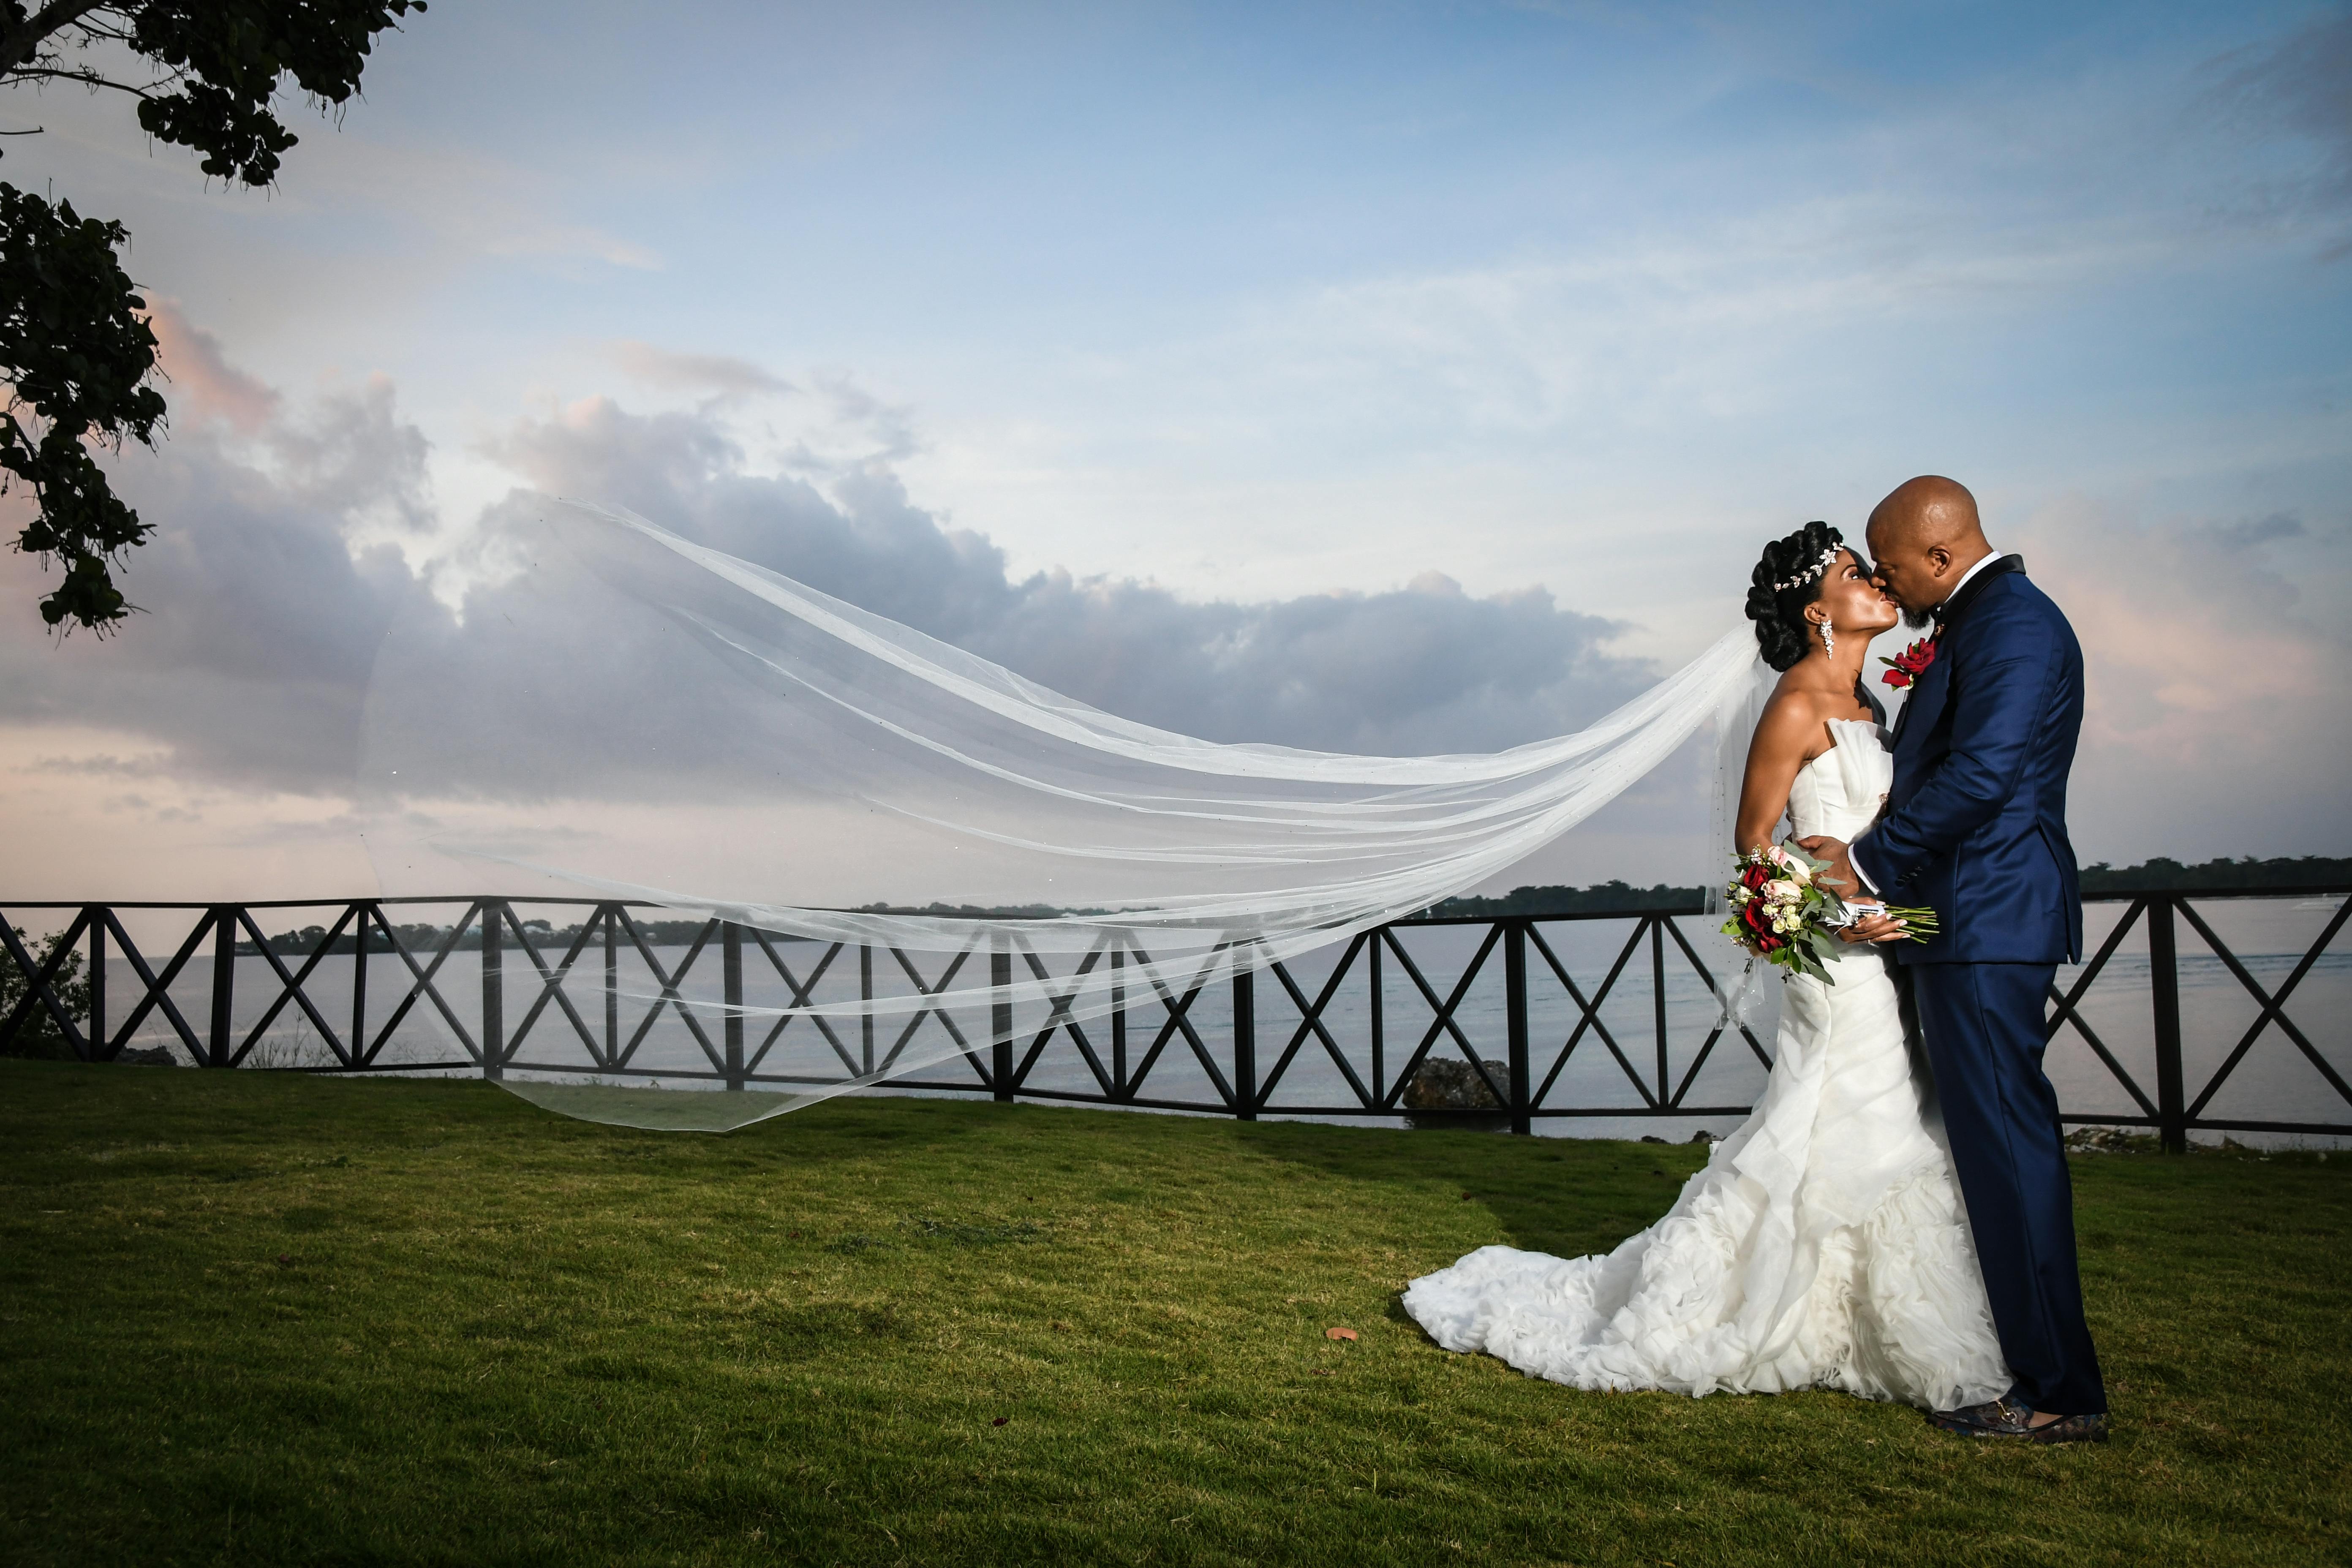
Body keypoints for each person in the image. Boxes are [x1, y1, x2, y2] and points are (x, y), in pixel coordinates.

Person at [1402, 518, 2019, 1421]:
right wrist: (1845, 914)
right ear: (1819, 610)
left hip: (1881, 954)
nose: (1879, 583)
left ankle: (1851, 1312)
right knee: (1849, 1118)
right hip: (1833, 960)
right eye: (1857, 573)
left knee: (1882, 1118)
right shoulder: (1798, 703)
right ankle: (1780, 1307)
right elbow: (1753, 851)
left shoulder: (1874, 710)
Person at [1800, 476, 2107, 1442]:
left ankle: (2057, 1389)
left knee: (2008, 1153)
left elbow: (1984, 771)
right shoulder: (1982, 618)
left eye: (1891, 566)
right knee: (1990, 1150)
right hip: (1965, 918)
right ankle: (2045, 1369)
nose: (1888, 586)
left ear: (1939, 556)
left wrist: (1866, 860)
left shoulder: (2011, 623)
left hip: (1983, 918)